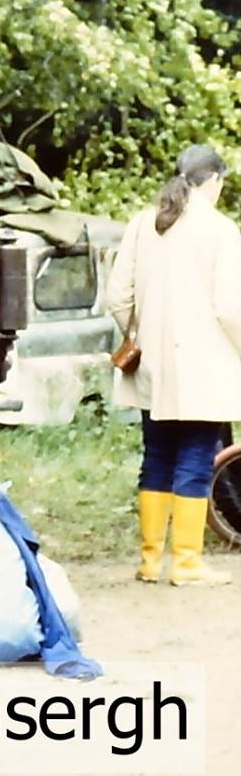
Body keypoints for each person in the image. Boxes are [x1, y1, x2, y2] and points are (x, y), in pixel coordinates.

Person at [105, 144, 241, 586]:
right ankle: (186, 563)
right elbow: (230, 309)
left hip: (153, 365)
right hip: (204, 364)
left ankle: (150, 561)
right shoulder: (221, 231)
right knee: (195, 458)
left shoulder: (143, 224)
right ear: (213, 181)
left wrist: (138, 332)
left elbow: (117, 296)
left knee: (157, 456)